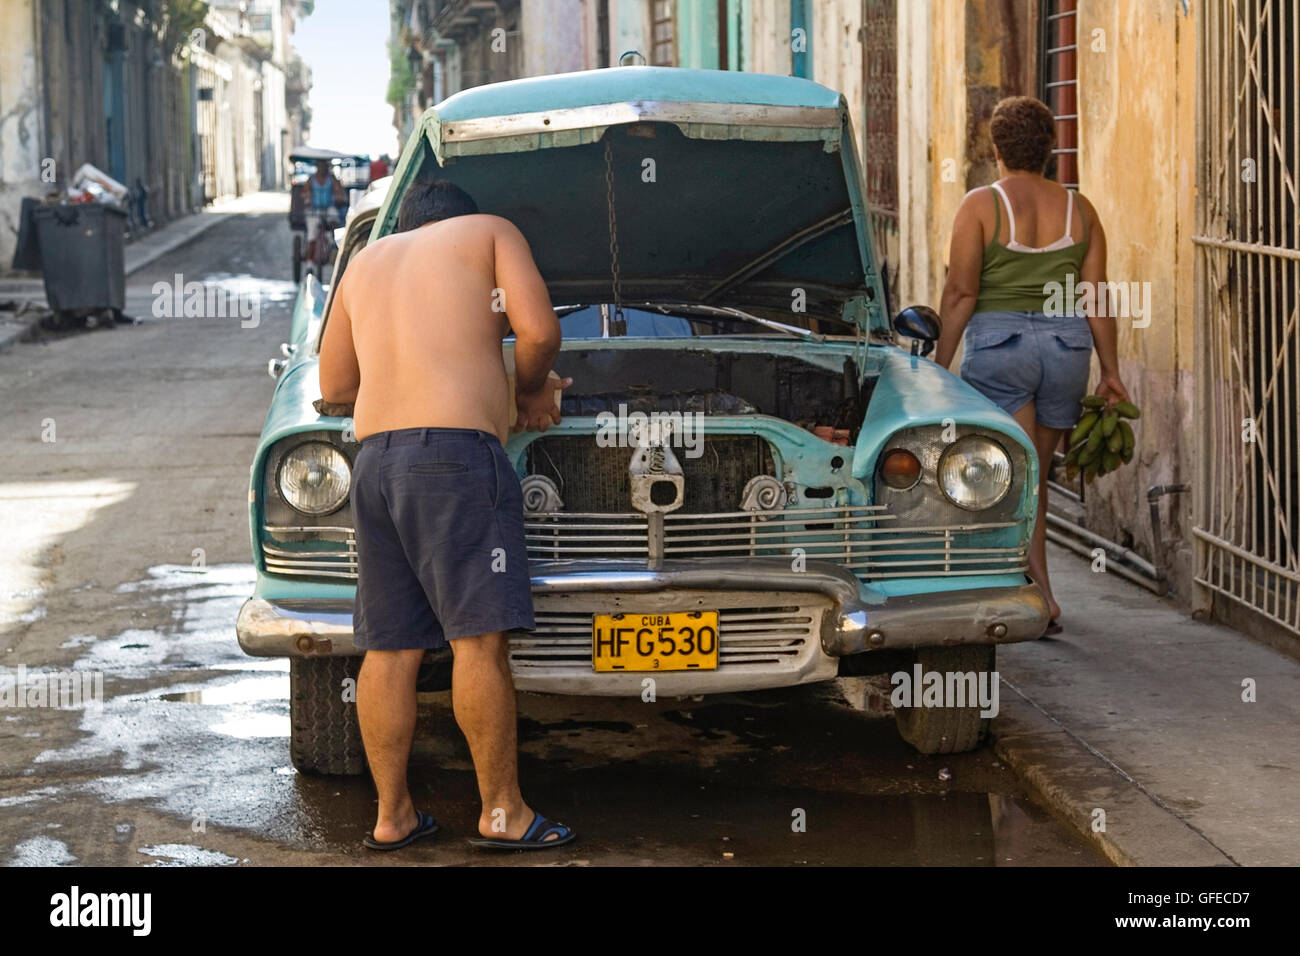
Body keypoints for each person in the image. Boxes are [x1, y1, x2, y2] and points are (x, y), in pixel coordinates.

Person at [318, 177, 576, 851]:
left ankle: (392, 815)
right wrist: (528, 389)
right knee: (478, 640)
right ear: (461, 217)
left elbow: (335, 387)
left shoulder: (365, 263)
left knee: (390, 648)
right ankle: (501, 813)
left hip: (375, 467)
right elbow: (540, 332)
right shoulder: (490, 230)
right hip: (455, 460)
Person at [933, 95, 1130, 635]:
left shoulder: (980, 205)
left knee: (1007, 479)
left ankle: (1037, 595)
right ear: (1050, 150)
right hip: (1067, 349)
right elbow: (1096, 296)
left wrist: (937, 366)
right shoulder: (1080, 209)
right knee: (1036, 479)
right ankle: (1038, 592)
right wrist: (1110, 372)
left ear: (996, 148)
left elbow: (959, 292)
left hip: (1003, 349)